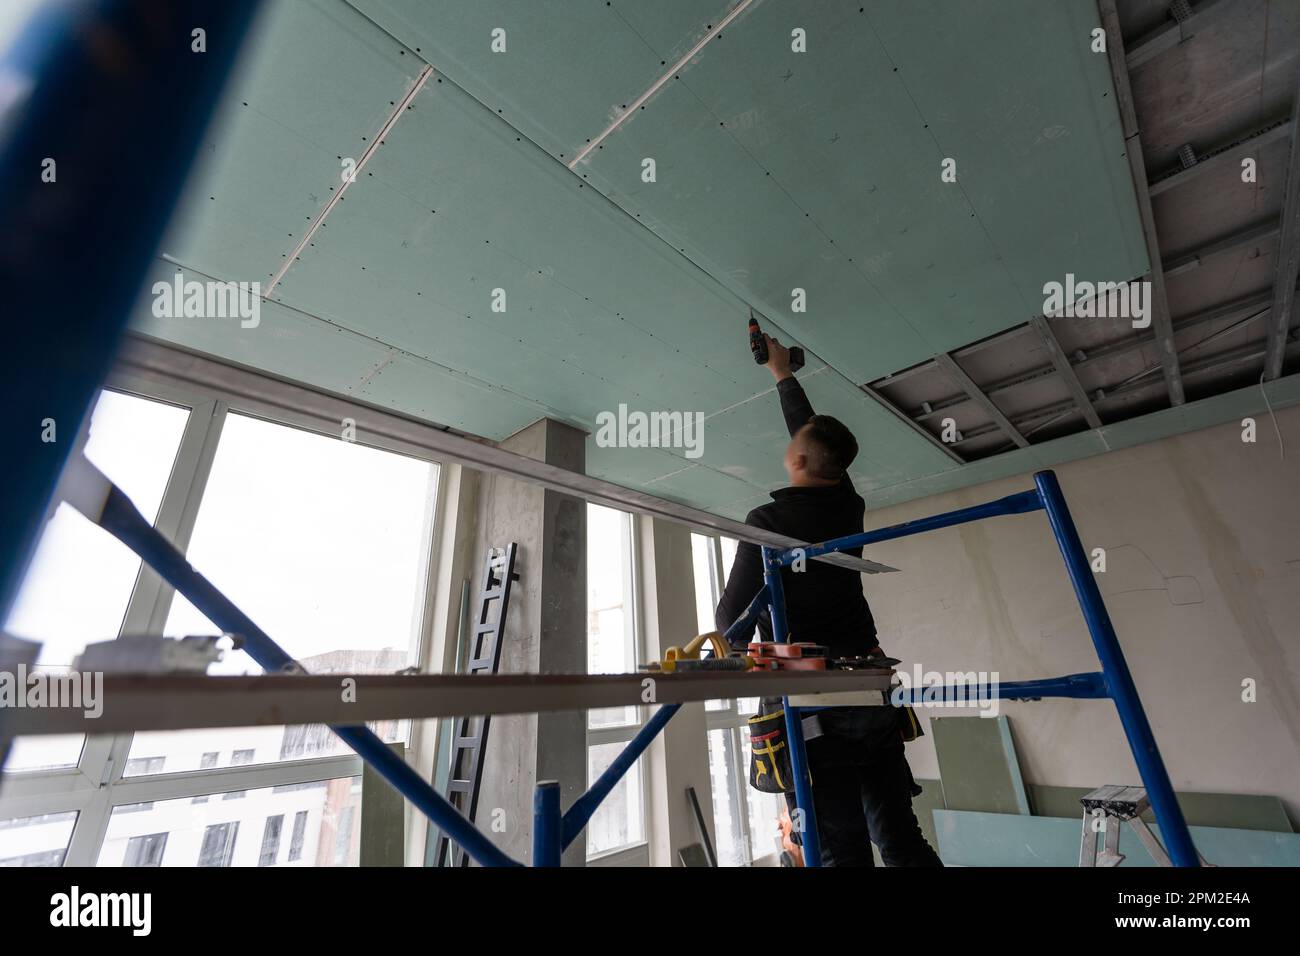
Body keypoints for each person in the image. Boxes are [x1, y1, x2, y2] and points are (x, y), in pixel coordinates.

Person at [714, 333, 942, 867]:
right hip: (866, 685)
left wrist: (739, 652)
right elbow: (818, 445)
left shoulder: (766, 523)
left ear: (796, 457)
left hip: (811, 699)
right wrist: (781, 375)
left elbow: (731, 619)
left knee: (840, 850)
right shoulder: (847, 505)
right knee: (901, 839)